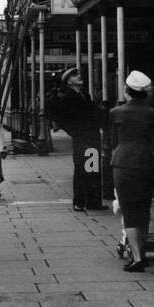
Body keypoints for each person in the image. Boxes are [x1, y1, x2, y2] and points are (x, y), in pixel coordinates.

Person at [109, 71, 154, 273]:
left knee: (128, 211)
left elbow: (111, 142)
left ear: (126, 90)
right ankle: (144, 252)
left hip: (122, 163)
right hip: (146, 162)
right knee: (144, 209)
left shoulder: (115, 113)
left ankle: (136, 256)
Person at [51, 67, 102, 211]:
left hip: (92, 136)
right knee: (81, 169)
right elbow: (63, 119)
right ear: (68, 81)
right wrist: (75, 133)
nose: (79, 76)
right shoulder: (68, 97)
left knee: (93, 168)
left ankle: (93, 201)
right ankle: (79, 201)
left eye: (78, 74)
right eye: (74, 75)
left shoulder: (85, 94)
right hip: (82, 137)